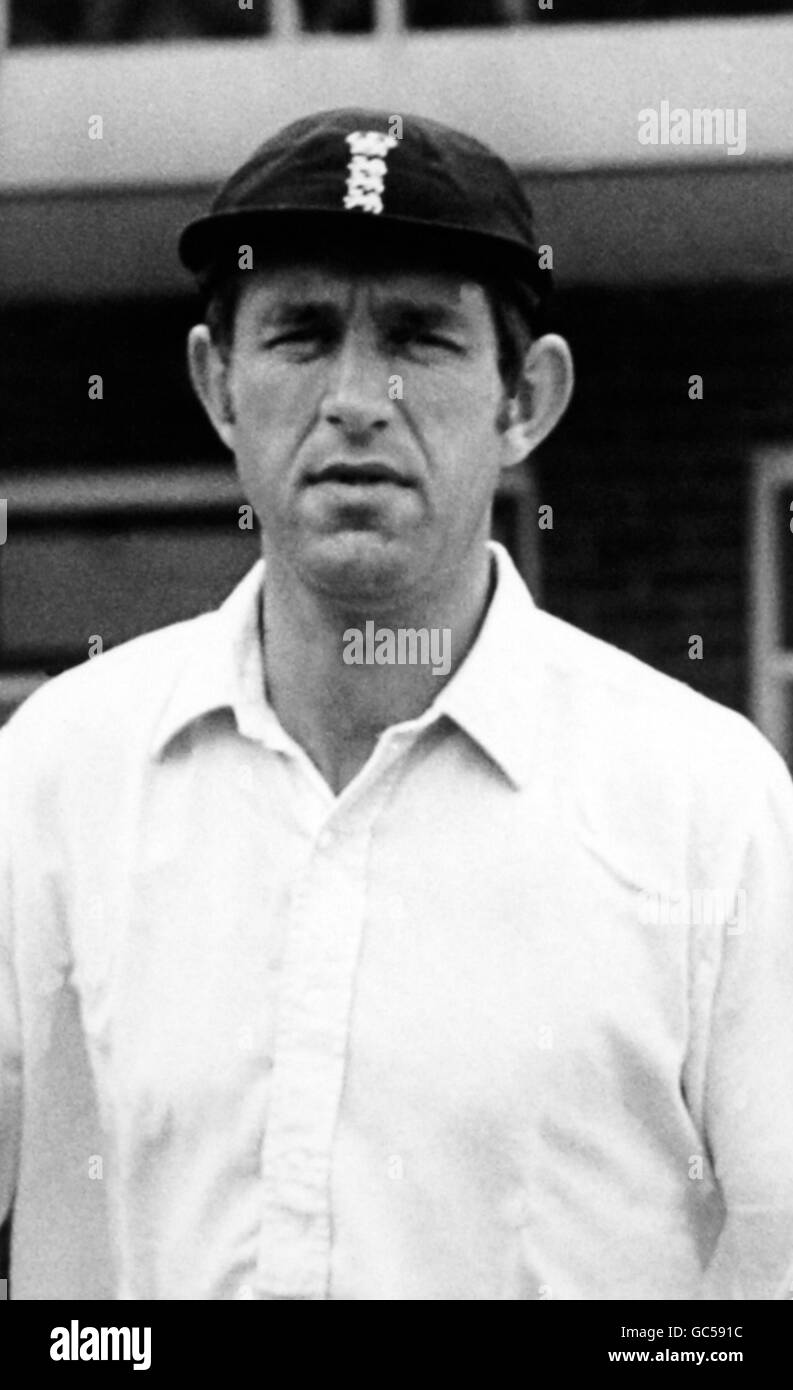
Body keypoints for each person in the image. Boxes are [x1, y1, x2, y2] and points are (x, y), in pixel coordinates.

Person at [1, 107, 792, 1302]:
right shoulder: (64, 767)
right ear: (219, 385)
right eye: (303, 334)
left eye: (419, 337)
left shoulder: (698, 796)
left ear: (526, 395)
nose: (357, 399)